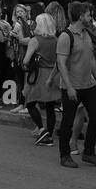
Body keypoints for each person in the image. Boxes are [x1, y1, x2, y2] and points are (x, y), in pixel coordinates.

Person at [56, 1, 96, 169]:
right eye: (88, 15)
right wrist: (69, 87)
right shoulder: (66, 36)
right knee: (68, 122)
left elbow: (91, 59)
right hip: (72, 86)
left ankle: (89, 152)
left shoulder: (86, 34)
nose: (90, 18)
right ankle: (64, 155)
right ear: (80, 16)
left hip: (88, 85)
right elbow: (61, 63)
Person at [22, 12, 62, 145]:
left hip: (38, 75)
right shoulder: (57, 40)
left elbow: (26, 60)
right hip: (53, 74)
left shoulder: (35, 40)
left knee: (30, 102)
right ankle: (49, 134)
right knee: (50, 106)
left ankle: (41, 128)